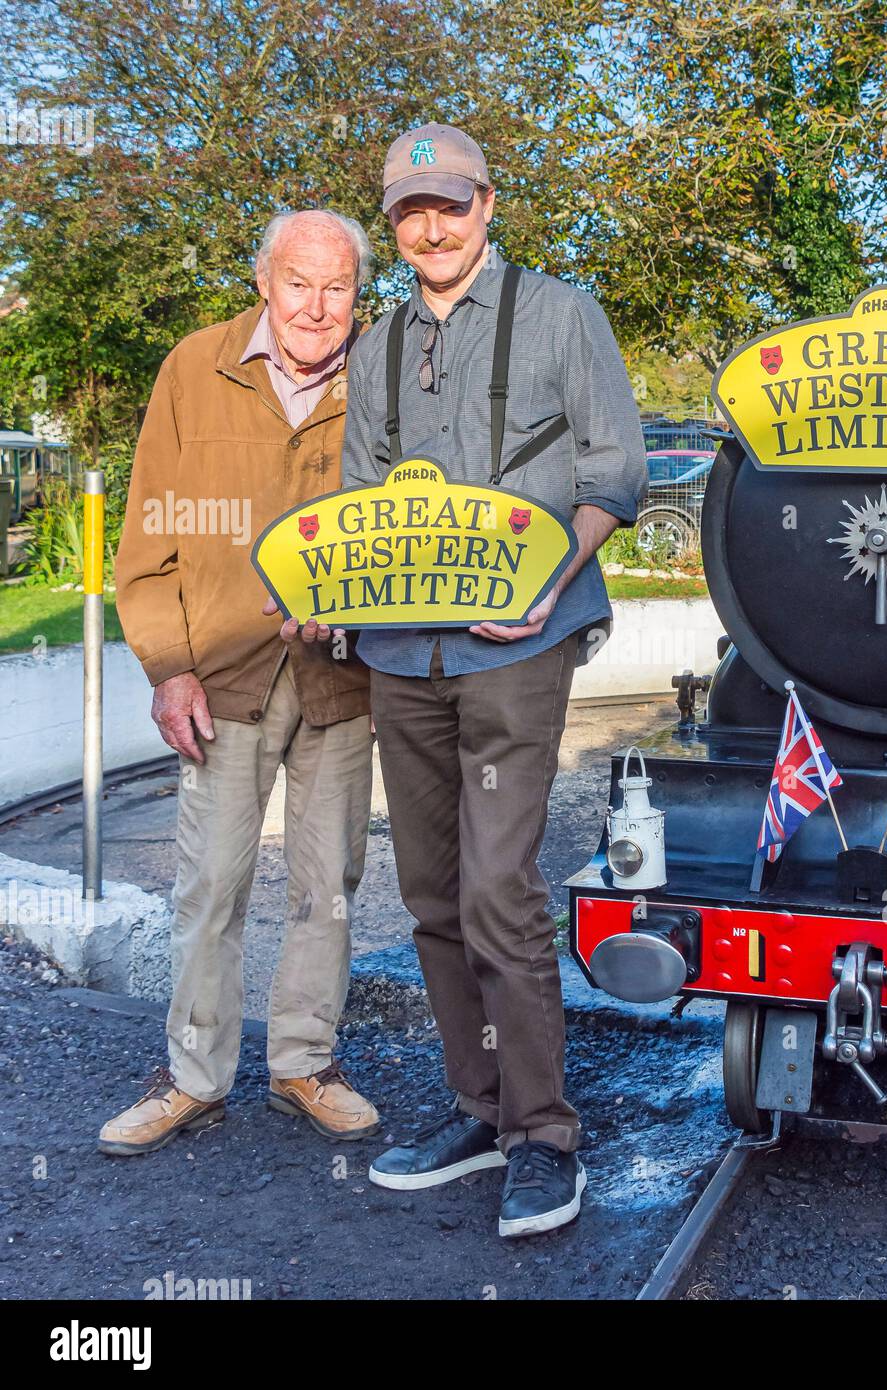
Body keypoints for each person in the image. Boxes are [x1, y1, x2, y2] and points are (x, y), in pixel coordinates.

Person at [286, 123, 647, 1236]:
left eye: (449, 205)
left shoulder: (562, 312)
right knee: (430, 895)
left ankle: (544, 1134)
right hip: (404, 652)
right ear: (394, 223)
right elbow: (359, 499)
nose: (431, 226)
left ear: (487, 205)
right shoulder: (383, 339)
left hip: (517, 646)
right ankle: (476, 1105)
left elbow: (615, 469)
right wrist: (323, 589)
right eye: (410, 211)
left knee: (499, 890)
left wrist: (551, 575)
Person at [102, 209, 380, 1155]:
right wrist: (169, 667)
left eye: (336, 286)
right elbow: (145, 542)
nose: (316, 305)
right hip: (219, 677)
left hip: (344, 676)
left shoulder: (384, 374)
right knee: (211, 883)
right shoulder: (195, 366)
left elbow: (413, 522)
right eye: (298, 282)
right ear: (264, 282)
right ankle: (192, 1076)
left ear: (357, 295)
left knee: (327, 884)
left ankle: (305, 1063)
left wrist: (363, 607)